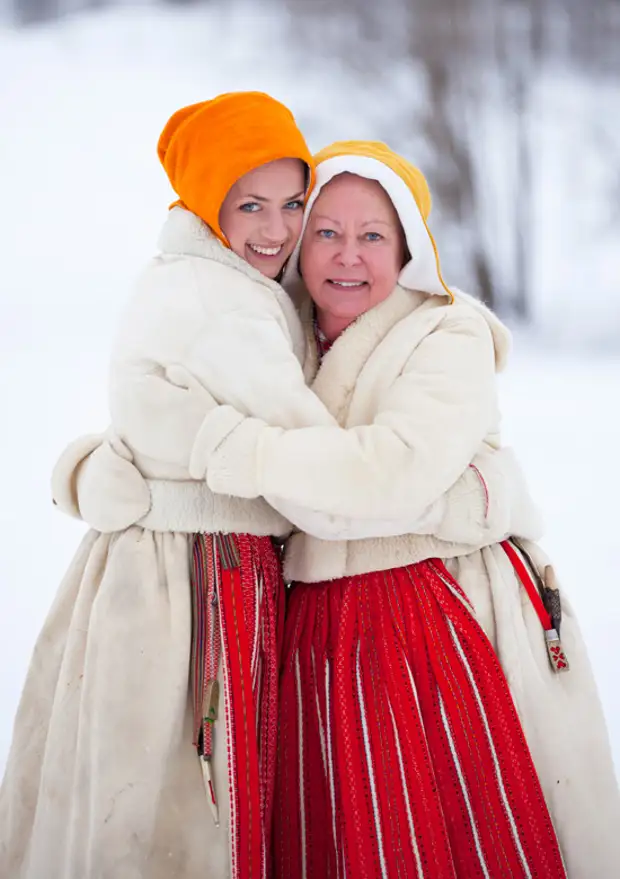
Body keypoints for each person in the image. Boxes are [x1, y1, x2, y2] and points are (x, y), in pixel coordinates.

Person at [0, 100, 525, 879]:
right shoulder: (235, 305)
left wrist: (476, 491)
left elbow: (367, 471)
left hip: (379, 612)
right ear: (209, 205)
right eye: (256, 206)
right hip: (219, 594)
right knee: (193, 807)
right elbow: (305, 470)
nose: (279, 230)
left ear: (410, 245)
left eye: (291, 206)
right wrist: (136, 467)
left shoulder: (418, 329)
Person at [178, 141, 620, 878]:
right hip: (312, 631)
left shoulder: (445, 333)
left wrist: (246, 453)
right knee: (333, 839)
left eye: (372, 235)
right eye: (326, 231)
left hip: (426, 617)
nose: (347, 256)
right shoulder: (280, 341)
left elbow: (394, 474)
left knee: (435, 831)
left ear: (409, 246)